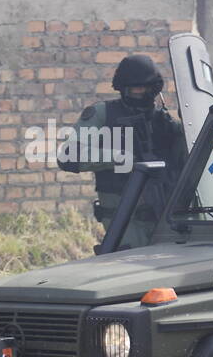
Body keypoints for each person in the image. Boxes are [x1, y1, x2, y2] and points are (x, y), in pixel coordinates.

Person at [58, 54, 186, 249]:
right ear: (122, 88)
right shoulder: (103, 114)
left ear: (154, 89)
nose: (139, 93)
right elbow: (68, 156)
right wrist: (119, 157)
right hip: (125, 220)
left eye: (144, 88)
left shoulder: (164, 121)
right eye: (134, 88)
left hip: (166, 216)